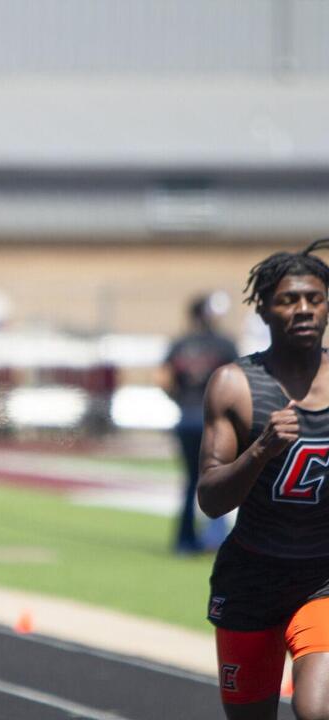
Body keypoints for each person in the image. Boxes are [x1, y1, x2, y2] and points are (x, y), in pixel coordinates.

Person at [199, 238, 329, 719]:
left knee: (318, 709)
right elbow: (211, 499)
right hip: (251, 575)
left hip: (322, 576)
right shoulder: (235, 384)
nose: (303, 310)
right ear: (264, 309)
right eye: (288, 299)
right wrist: (261, 450)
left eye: (314, 299)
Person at [159, 294, 238, 554]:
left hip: (186, 419)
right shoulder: (225, 344)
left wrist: (180, 400)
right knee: (219, 478)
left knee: (190, 481)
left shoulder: (180, 344)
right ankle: (215, 540)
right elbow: (236, 381)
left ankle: (184, 541)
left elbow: (163, 380)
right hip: (215, 421)